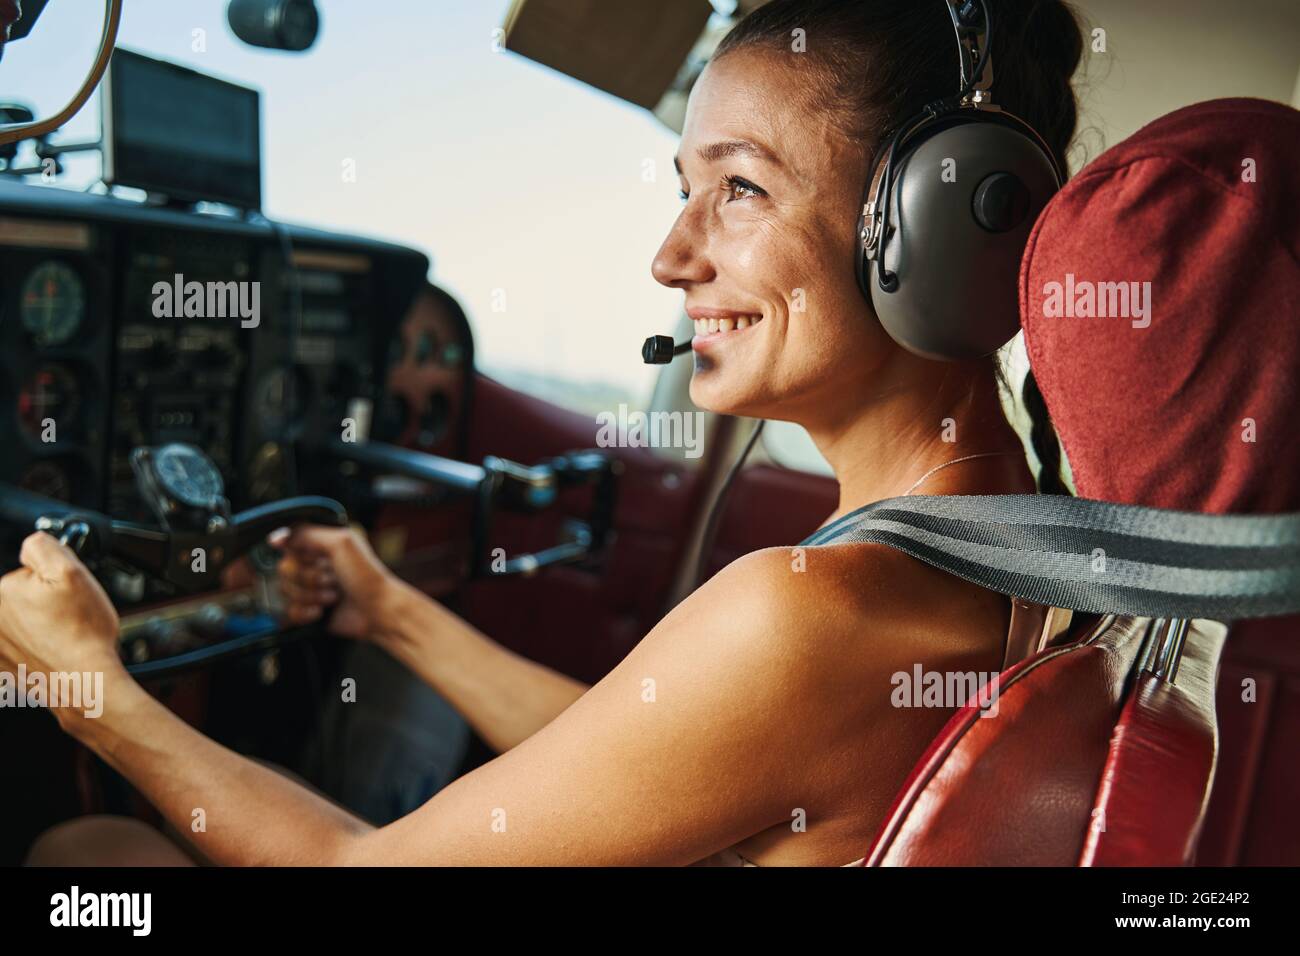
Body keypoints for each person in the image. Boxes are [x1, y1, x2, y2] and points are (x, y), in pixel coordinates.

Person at [7, 0, 1083, 866]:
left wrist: (89, 687)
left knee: (84, 845)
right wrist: (390, 611)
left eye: (740, 188)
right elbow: (657, 743)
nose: (671, 255)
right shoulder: (1008, 533)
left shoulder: (812, 611)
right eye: (685, 189)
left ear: (931, 237)